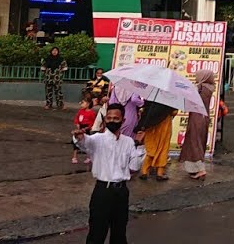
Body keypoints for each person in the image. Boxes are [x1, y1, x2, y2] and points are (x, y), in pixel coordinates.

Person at [72, 103, 144, 244]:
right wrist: (79, 137)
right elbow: (84, 142)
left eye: (116, 118)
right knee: (97, 233)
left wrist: (139, 145)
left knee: (119, 233)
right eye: (109, 118)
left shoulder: (128, 142)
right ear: (105, 120)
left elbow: (134, 167)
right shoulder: (98, 139)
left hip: (121, 192)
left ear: (123, 120)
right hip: (102, 192)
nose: (111, 121)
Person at [180, 70, 217, 180]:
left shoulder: (199, 87)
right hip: (204, 117)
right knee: (199, 141)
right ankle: (194, 168)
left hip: (196, 117)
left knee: (194, 142)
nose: (196, 77)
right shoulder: (210, 87)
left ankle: (201, 169)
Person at [135, 100, 178, 181]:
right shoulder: (171, 97)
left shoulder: (152, 95)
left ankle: (145, 171)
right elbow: (174, 112)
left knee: (151, 147)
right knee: (163, 148)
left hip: (151, 124)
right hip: (165, 124)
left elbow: (145, 109)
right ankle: (160, 173)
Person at [42, 46, 67, 110]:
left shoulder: (61, 60)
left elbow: (64, 68)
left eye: (56, 50)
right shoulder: (46, 59)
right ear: (51, 51)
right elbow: (43, 68)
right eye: (53, 50)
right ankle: (48, 104)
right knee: (48, 92)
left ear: (58, 52)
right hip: (48, 78)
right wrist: (46, 75)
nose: (54, 52)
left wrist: (59, 74)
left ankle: (60, 105)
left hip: (57, 79)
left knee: (58, 92)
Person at [73, 97, 97, 164]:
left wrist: (87, 128)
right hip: (80, 128)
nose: (81, 104)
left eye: (83, 102)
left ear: (88, 104)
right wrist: (77, 124)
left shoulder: (92, 113)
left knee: (87, 144)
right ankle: (74, 157)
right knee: (76, 143)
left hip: (86, 129)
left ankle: (88, 157)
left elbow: (92, 122)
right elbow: (77, 118)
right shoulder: (80, 111)